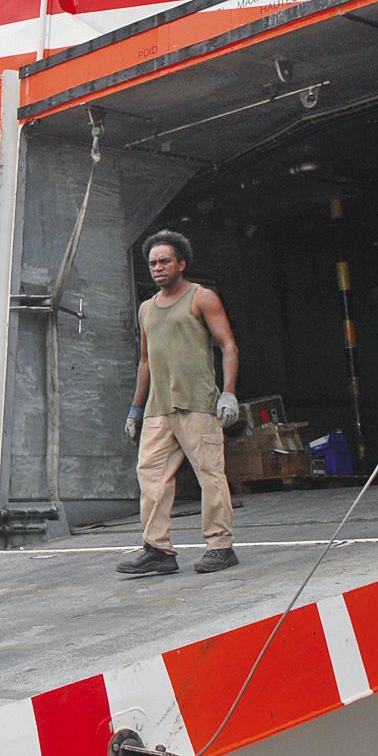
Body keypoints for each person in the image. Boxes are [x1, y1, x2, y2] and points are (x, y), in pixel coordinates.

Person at [117, 231, 243, 577]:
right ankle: (158, 549)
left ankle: (220, 546)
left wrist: (228, 392)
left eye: (164, 261)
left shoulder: (201, 298)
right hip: (160, 408)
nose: (157, 268)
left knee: (210, 474)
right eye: (153, 263)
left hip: (198, 404)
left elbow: (228, 345)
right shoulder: (146, 309)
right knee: (151, 476)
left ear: (181, 264)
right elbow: (145, 362)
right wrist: (135, 409)